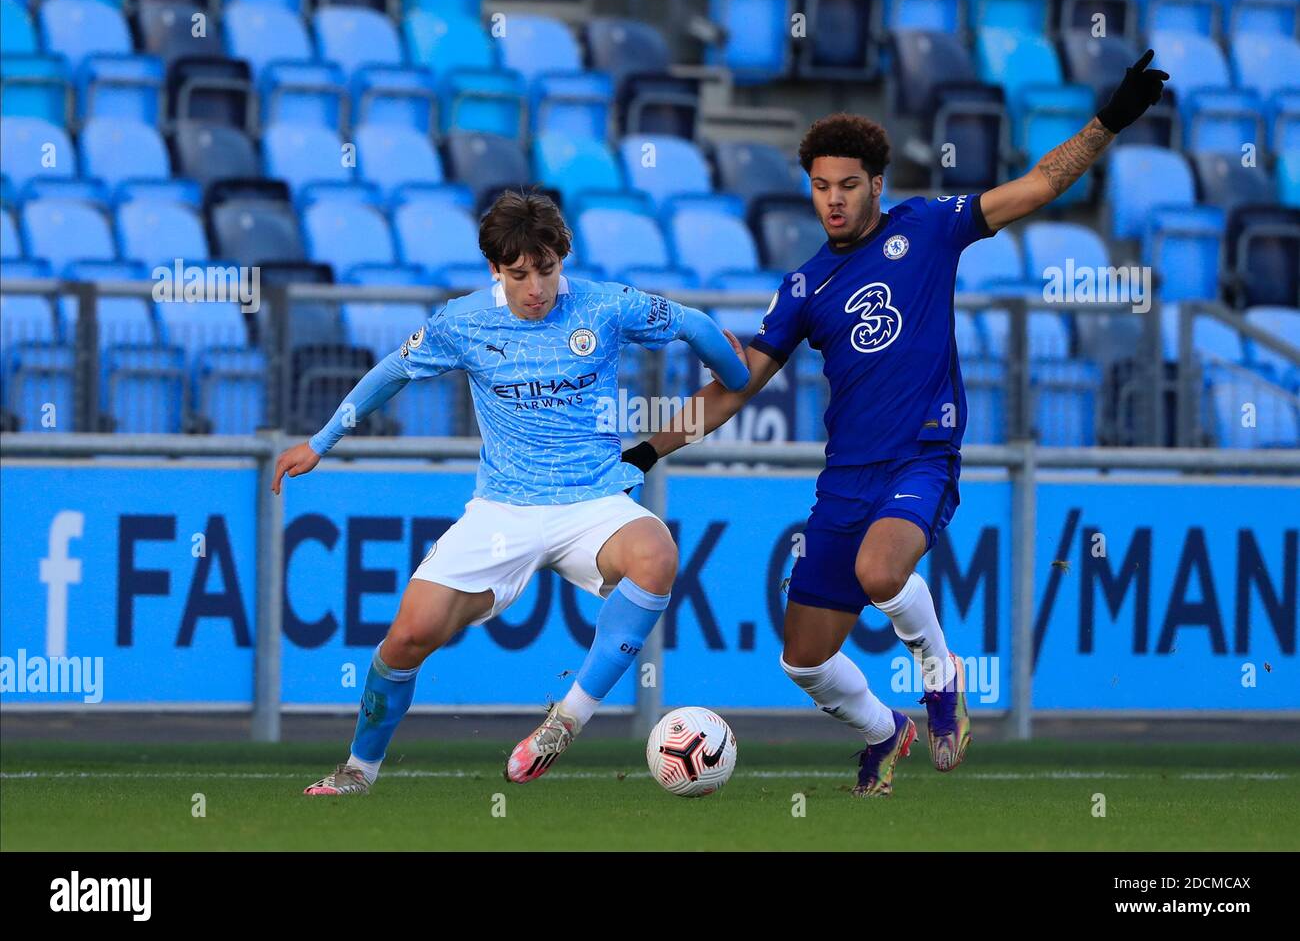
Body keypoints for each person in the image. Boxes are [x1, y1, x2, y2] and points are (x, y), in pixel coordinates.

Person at [624, 51, 1170, 796]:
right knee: (804, 661)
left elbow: (1038, 186)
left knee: (881, 571)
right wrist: (650, 446)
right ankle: (886, 732)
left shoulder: (934, 226)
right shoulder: (807, 285)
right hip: (846, 477)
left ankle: (942, 684)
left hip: (921, 455)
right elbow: (736, 383)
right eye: (820, 187)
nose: (834, 201)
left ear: (877, 184)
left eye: (848, 185)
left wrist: (1109, 120)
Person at [272, 191, 750, 794]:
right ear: (496, 269)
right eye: (520, 274)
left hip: (593, 502)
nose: (536, 289)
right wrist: (321, 440)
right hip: (501, 509)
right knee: (407, 638)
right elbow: (392, 370)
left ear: (561, 259)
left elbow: (694, 324)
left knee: (656, 555)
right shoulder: (463, 320)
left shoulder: (605, 305)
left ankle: (566, 721)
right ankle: (358, 770)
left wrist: (733, 377)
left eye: (546, 270)